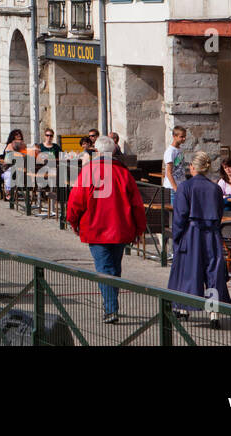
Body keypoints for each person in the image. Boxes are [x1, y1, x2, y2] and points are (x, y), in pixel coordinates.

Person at [65, 136, 146, 324]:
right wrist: (139, 228)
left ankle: (110, 308)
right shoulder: (124, 174)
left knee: (105, 269)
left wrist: (73, 222)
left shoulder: (88, 172)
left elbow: (75, 201)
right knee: (114, 269)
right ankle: (111, 304)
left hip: (96, 228)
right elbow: (137, 205)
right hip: (120, 227)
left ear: (98, 152)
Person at [167, 151, 231, 325]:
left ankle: (185, 305)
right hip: (211, 233)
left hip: (192, 233)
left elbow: (179, 216)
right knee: (213, 272)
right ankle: (213, 312)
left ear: (193, 167)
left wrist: (177, 237)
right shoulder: (216, 188)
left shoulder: (185, 187)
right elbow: (219, 213)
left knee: (188, 271)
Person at [1, 129, 27, 198]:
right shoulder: (10, 145)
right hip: (10, 166)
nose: (18, 135)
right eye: (16, 134)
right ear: (13, 136)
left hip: (22, 166)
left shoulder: (23, 144)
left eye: (19, 134)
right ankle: (8, 192)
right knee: (10, 172)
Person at [163, 126, 188, 191]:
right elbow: (168, 172)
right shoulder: (170, 151)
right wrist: (176, 189)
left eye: (185, 136)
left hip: (181, 185)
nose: (184, 139)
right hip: (172, 187)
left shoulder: (180, 149)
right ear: (174, 136)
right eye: (181, 137)